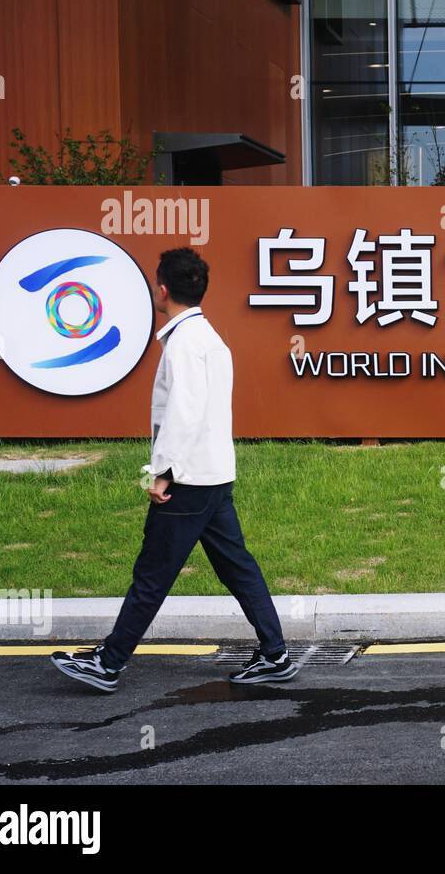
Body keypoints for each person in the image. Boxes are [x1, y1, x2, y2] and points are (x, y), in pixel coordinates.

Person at [52, 248, 298, 692]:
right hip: (214, 475)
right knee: (237, 568)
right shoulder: (210, 339)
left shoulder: (185, 343)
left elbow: (183, 414)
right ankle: (276, 655)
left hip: (186, 481)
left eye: (155, 284)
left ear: (163, 290)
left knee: (153, 573)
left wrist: (161, 472)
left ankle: (108, 664)